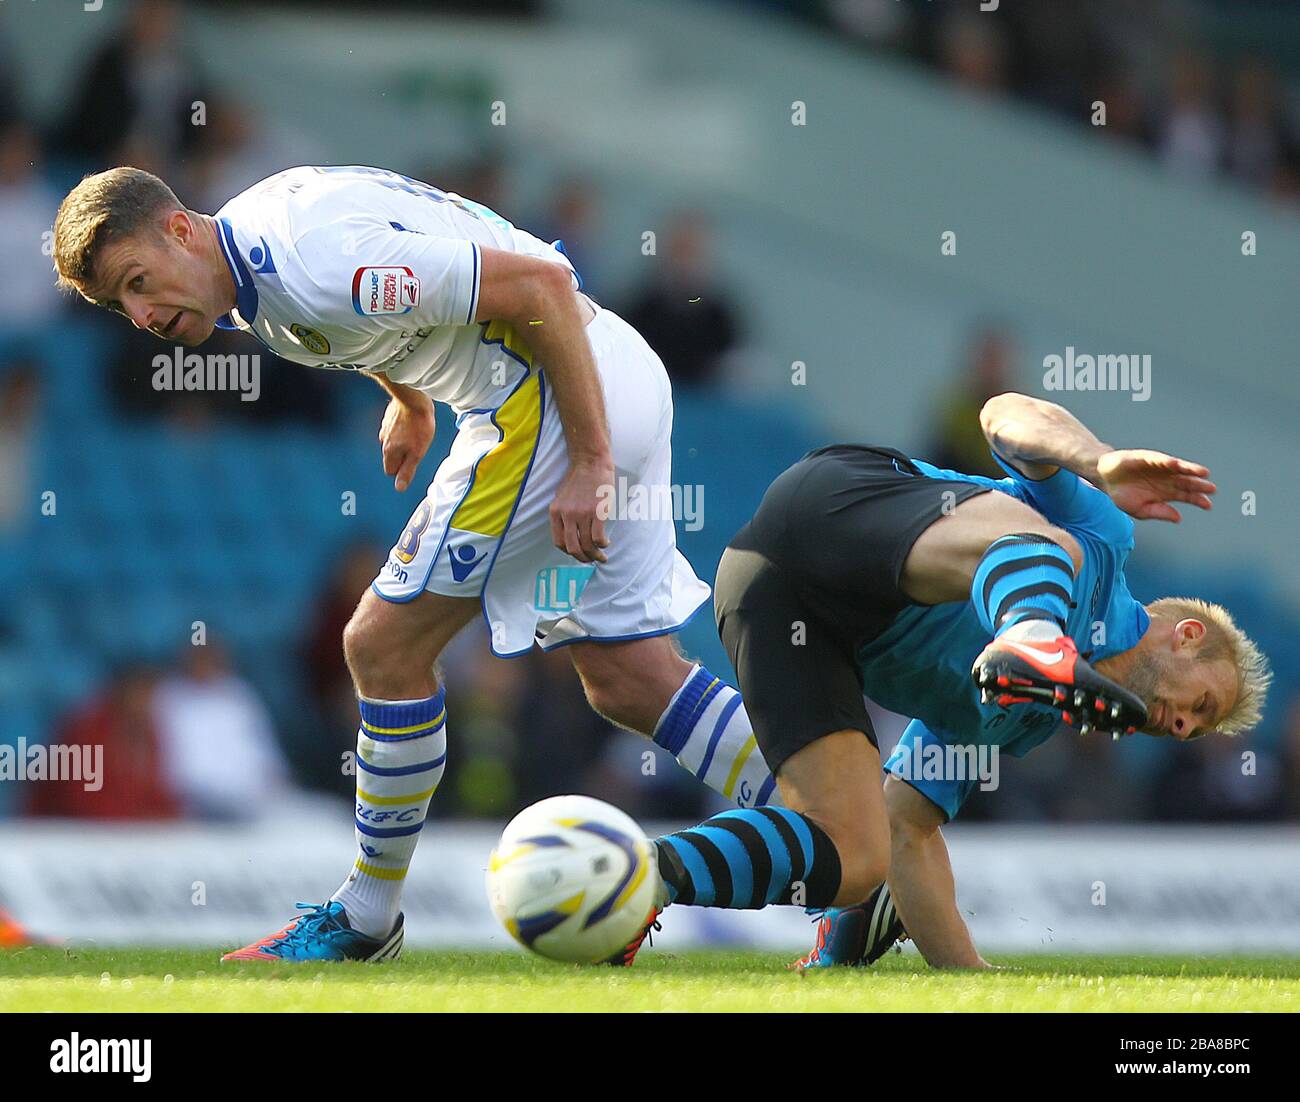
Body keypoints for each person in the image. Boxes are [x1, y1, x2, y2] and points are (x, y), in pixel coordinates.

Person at [52, 164, 769, 961]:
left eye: (138, 282)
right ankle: (834, 819)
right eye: (121, 306)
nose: (143, 316)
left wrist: (591, 459)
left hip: (551, 401)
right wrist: (410, 397)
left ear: (180, 229)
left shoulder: (311, 262)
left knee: (382, 646)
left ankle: (365, 919)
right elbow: (376, 299)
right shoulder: (253, 260)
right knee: (630, 677)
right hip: (614, 374)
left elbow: (541, 287)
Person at [608, 393, 1270, 970]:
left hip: (768, 593)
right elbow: (1004, 414)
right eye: (1201, 704)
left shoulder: (1025, 714)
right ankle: (1031, 633)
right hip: (841, 504)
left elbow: (909, 830)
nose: (1182, 726)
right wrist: (1097, 461)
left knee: (857, 855)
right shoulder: (1105, 537)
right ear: (1187, 636)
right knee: (1058, 548)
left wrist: (971, 982)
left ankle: (639, 879)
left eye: (1194, 730)